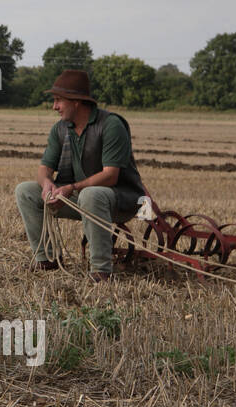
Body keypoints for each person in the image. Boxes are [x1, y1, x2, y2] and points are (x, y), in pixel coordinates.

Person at [14, 70, 145, 281]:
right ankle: (47, 259)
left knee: (91, 194)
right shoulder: (60, 129)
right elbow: (44, 168)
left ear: (76, 101)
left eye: (59, 100)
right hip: (80, 196)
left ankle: (101, 270)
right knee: (25, 191)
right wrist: (47, 184)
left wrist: (72, 188)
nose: (54, 106)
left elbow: (110, 176)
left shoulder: (111, 125)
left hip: (120, 199)